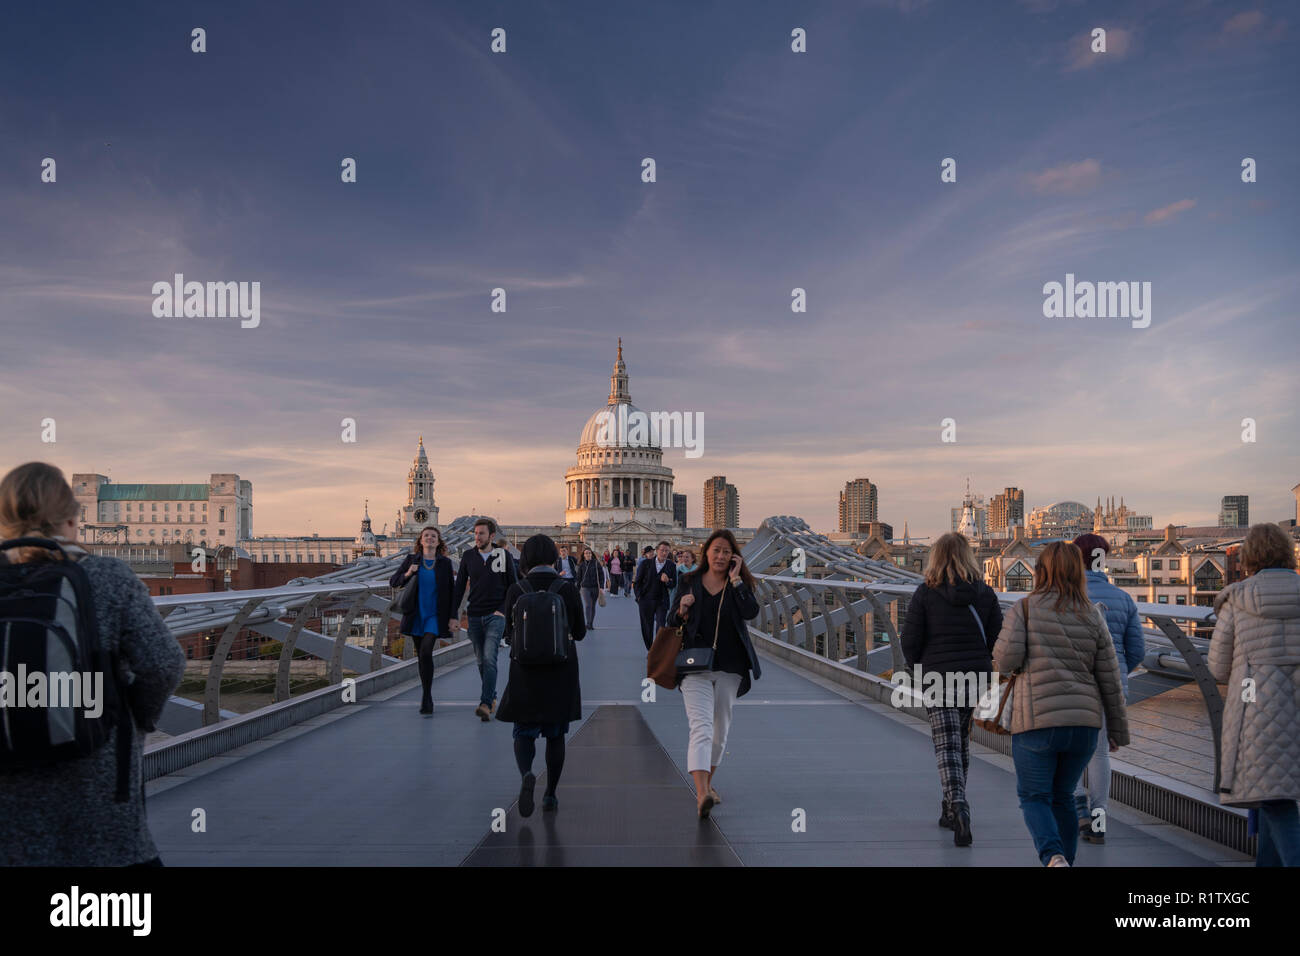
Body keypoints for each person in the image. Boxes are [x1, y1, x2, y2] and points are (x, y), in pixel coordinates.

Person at [0, 462, 186, 866]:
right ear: (71, 518)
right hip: (98, 780)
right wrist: (137, 719)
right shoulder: (106, 576)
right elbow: (163, 663)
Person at [993, 541, 1130, 867]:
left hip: (1036, 721)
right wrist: (1117, 730)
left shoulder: (1024, 609)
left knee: (1034, 796)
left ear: (1040, 572)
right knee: (1064, 797)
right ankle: (1065, 860)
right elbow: (1110, 678)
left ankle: (1053, 857)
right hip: (1083, 726)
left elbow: (1003, 661)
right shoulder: (1094, 615)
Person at [900, 532, 1003, 847]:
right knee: (960, 743)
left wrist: (917, 665)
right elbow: (997, 637)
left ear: (936, 558)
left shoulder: (925, 594)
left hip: (939, 678)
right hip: (975, 678)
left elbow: (910, 640)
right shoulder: (984, 594)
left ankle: (957, 805)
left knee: (946, 746)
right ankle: (951, 807)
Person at [1208, 522, 1300, 867]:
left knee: (1274, 799)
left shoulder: (1239, 599)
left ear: (1249, 557)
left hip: (1258, 710)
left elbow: (1217, 668)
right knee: (1275, 798)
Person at [668, 530, 760, 819]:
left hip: (730, 668)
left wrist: (735, 580)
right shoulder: (688, 581)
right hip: (695, 666)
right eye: (716, 550)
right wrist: (682, 609)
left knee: (719, 734)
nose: (720, 556)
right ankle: (701, 793)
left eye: (726, 552)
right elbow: (671, 620)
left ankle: (708, 784)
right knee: (702, 728)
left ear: (734, 557)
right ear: (705, 552)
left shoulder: (739, 584)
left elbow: (750, 612)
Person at [496, 534, 587, 816]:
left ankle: (526, 773)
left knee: (524, 731)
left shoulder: (516, 589)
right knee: (555, 734)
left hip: (525, 670)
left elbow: (509, 634)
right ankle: (550, 795)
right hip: (561, 669)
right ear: (553, 556)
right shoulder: (567, 588)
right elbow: (580, 633)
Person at [1071, 532, 1145, 845]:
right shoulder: (1124, 599)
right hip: (1109, 686)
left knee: (1069, 751)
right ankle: (1099, 822)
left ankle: (1077, 808)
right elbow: (1138, 649)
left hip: (1073, 684)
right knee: (1100, 755)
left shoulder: (1066, 595)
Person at [451, 518, 519, 721]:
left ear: (491, 536)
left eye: (481, 534)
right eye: (475, 533)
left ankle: (485, 703)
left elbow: (513, 586)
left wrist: (502, 611)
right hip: (474, 615)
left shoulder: (503, 555)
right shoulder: (468, 557)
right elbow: (459, 587)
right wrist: (453, 615)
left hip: (495, 616)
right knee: (481, 661)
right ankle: (492, 696)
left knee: (490, 658)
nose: (477, 537)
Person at [388, 525, 457, 715]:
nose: (429, 538)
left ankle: (427, 696)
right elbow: (394, 582)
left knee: (426, 652)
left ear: (438, 541)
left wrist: (453, 617)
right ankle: (426, 695)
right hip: (416, 614)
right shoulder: (411, 560)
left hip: (435, 615)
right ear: (420, 540)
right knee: (421, 655)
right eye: (426, 535)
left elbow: (452, 591)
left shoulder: (445, 563)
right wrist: (408, 573)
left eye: (433, 536)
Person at [635, 541, 678, 651]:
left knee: (661, 625)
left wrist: (667, 581)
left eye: (666, 551)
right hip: (646, 599)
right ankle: (650, 649)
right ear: (657, 550)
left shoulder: (671, 565)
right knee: (647, 626)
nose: (664, 552)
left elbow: (673, 584)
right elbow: (637, 582)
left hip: (661, 600)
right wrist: (639, 597)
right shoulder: (645, 564)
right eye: (662, 550)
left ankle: (657, 649)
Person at [575, 546, 607, 629]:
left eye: (589, 553)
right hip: (585, 588)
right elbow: (578, 578)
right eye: (586, 553)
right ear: (584, 555)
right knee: (588, 605)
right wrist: (577, 589)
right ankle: (588, 623)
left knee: (593, 606)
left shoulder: (596, 563)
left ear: (591, 554)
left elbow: (601, 576)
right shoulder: (581, 565)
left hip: (595, 587)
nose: (588, 554)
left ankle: (590, 623)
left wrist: (601, 587)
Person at [667, 548, 697, 621]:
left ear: (692, 559)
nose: (684, 558)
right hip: (679, 596)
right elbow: (674, 583)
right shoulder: (678, 569)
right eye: (683, 557)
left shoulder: (697, 570)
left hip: (693, 597)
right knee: (678, 617)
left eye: (687, 557)